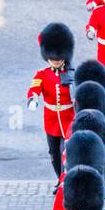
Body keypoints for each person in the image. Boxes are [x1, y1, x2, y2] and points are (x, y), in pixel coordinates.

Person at [27, 23, 75, 187]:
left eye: (58, 59)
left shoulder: (71, 74)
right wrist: (33, 99)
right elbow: (35, 88)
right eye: (52, 59)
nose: (55, 61)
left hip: (68, 119)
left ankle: (64, 182)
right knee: (54, 153)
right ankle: (59, 178)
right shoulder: (42, 74)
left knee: (65, 151)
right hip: (51, 120)